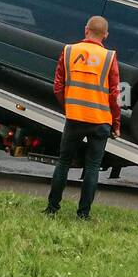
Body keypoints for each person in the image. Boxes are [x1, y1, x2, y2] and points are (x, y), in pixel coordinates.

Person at [45, 15, 121, 220]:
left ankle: (52, 208)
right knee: (93, 167)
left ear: (86, 29)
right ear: (106, 35)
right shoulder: (109, 57)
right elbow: (114, 95)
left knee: (63, 162)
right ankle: (83, 214)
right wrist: (116, 124)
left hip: (75, 117)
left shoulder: (69, 50)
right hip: (100, 120)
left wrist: (68, 107)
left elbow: (58, 86)